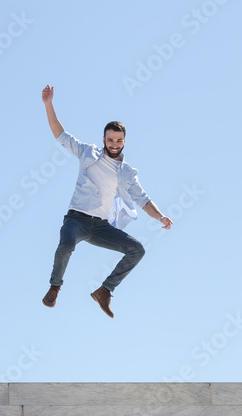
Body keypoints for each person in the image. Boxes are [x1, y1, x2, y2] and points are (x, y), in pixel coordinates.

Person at [40, 84, 171, 317]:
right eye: (110, 140)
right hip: (76, 220)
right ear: (103, 139)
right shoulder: (87, 152)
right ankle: (55, 286)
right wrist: (49, 105)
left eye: (118, 141)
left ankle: (105, 291)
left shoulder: (127, 172)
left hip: (101, 227)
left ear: (124, 141)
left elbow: (143, 199)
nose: (114, 144)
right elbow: (59, 133)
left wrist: (160, 216)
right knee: (67, 244)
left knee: (137, 249)